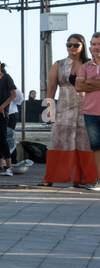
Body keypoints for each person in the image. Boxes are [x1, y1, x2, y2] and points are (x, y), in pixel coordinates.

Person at [43, 35, 95, 187]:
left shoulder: (91, 65)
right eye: (68, 45)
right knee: (58, 142)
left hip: (87, 109)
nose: (71, 48)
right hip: (64, 109)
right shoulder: (58, 65)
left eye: (75, 45)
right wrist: (49, 111)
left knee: (85, 144)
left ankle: (82, 178)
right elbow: (51, 89)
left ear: (83, 46)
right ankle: (50, 178)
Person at [72, 33, 100, 192]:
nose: (96, 47)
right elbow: (79, 87)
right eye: (93, 44)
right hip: (91, 112)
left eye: (99, 43)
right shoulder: (85, 67)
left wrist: (89, 82)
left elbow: (85, 84)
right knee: (97, 148)